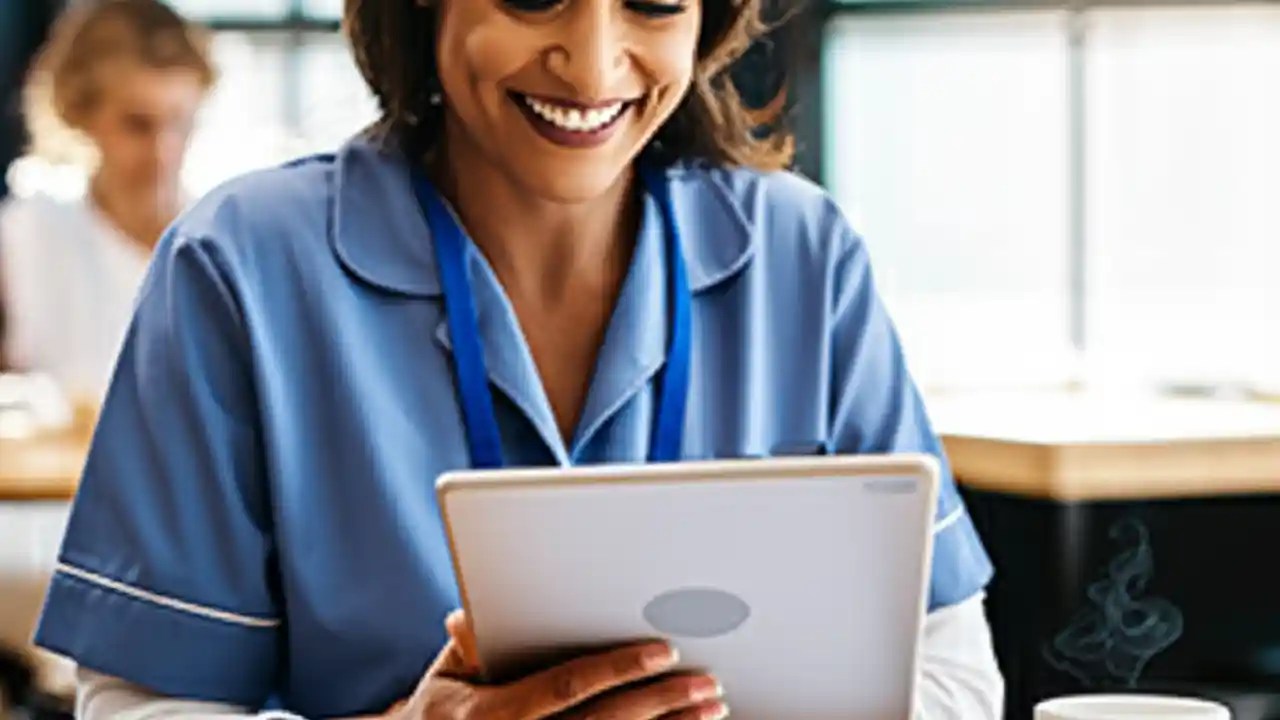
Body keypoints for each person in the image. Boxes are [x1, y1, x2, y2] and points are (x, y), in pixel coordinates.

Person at [34, 0, 1005, 717]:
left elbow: (955, 680)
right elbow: (138, 706)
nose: (590, 65)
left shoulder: (805, 257)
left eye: (653, 2)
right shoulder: (239, 267)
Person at [0, 0, 214, 396]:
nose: (163, 153)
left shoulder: (223, 245)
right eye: (137, 124)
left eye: (180, 123)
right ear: (78, 111)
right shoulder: (25, 236)